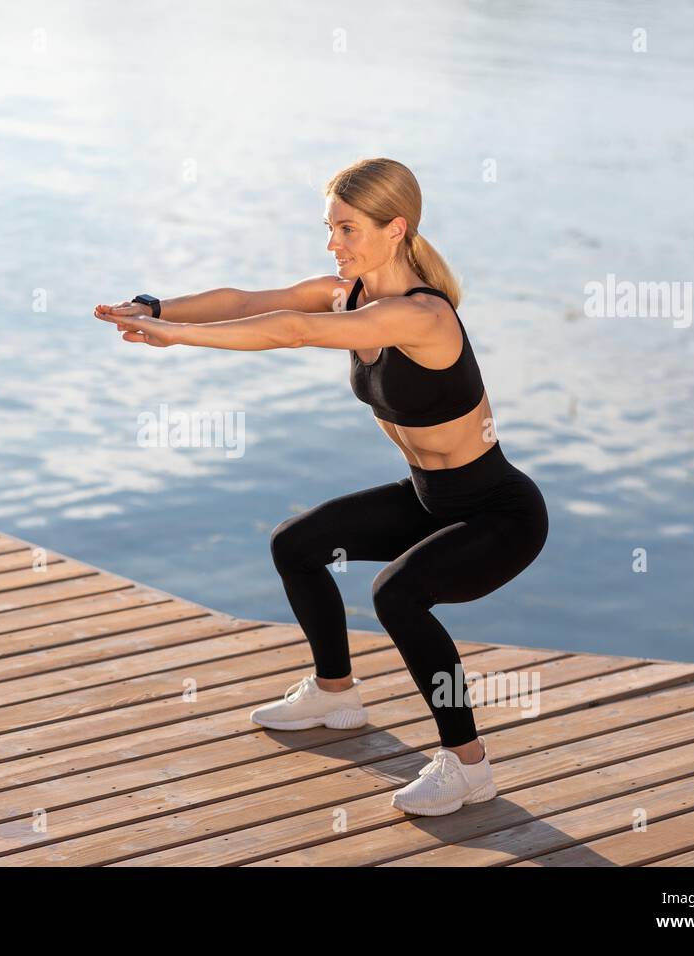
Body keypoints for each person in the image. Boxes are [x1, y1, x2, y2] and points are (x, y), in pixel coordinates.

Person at [93, 157, 548, 817]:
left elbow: (296, 331)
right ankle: (336, 693)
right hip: (431, 498)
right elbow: (253, 303)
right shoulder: (354, 294)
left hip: (500, 515)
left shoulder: (421, 317)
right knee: (298, 544)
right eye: (330, 228)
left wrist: (178, 337)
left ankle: (468, 765)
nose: (333, 243)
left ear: (396, 229)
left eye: (346, 228)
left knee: (399, 595)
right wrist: (157, 306)